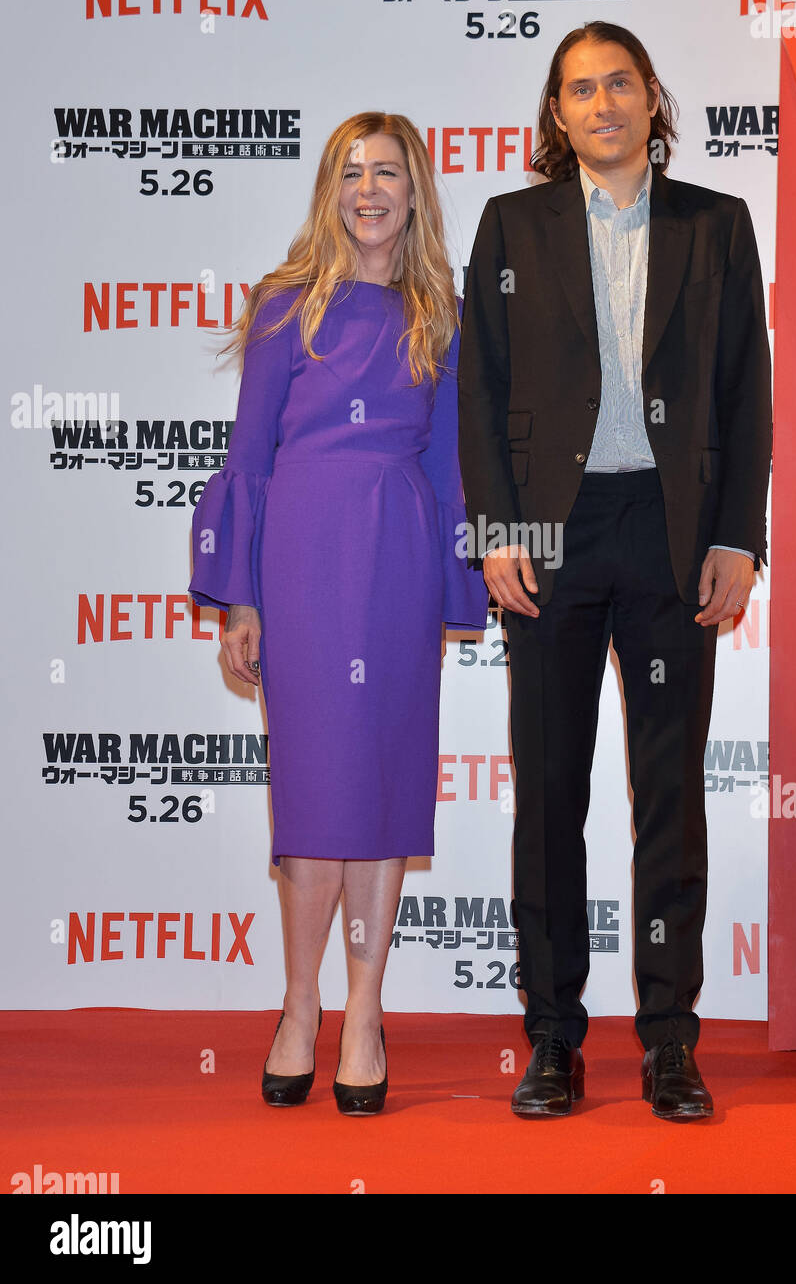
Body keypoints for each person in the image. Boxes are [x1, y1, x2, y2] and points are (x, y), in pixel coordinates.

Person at [458, 22, 772, 1119]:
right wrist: (495, 530)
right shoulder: (510, 223)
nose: (599, 104)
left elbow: (745, 390)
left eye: (617, 84)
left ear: (650, 99)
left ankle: (670, 1042)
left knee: (668, 796)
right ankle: (551, 1039)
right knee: (547, 795)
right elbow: (481, 392)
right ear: (556, 114)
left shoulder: (716, 225)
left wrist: (738, 536)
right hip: (549, 534)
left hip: (672, 533)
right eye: (577, 89)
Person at [188, 113, 488, 1114]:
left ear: (413, 191)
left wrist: (455, 580)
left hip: (397, 556)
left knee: (384, 792)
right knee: (314, 793)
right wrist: (238, 593)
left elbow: (449, 464)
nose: (368, 189)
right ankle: (300, 1002)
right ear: (331, 190)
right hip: (302, 557)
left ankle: (364, 1009)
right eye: (350, 173)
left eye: (387, 172)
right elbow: (249, 457)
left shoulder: (437, 308)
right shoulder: (284, 306)